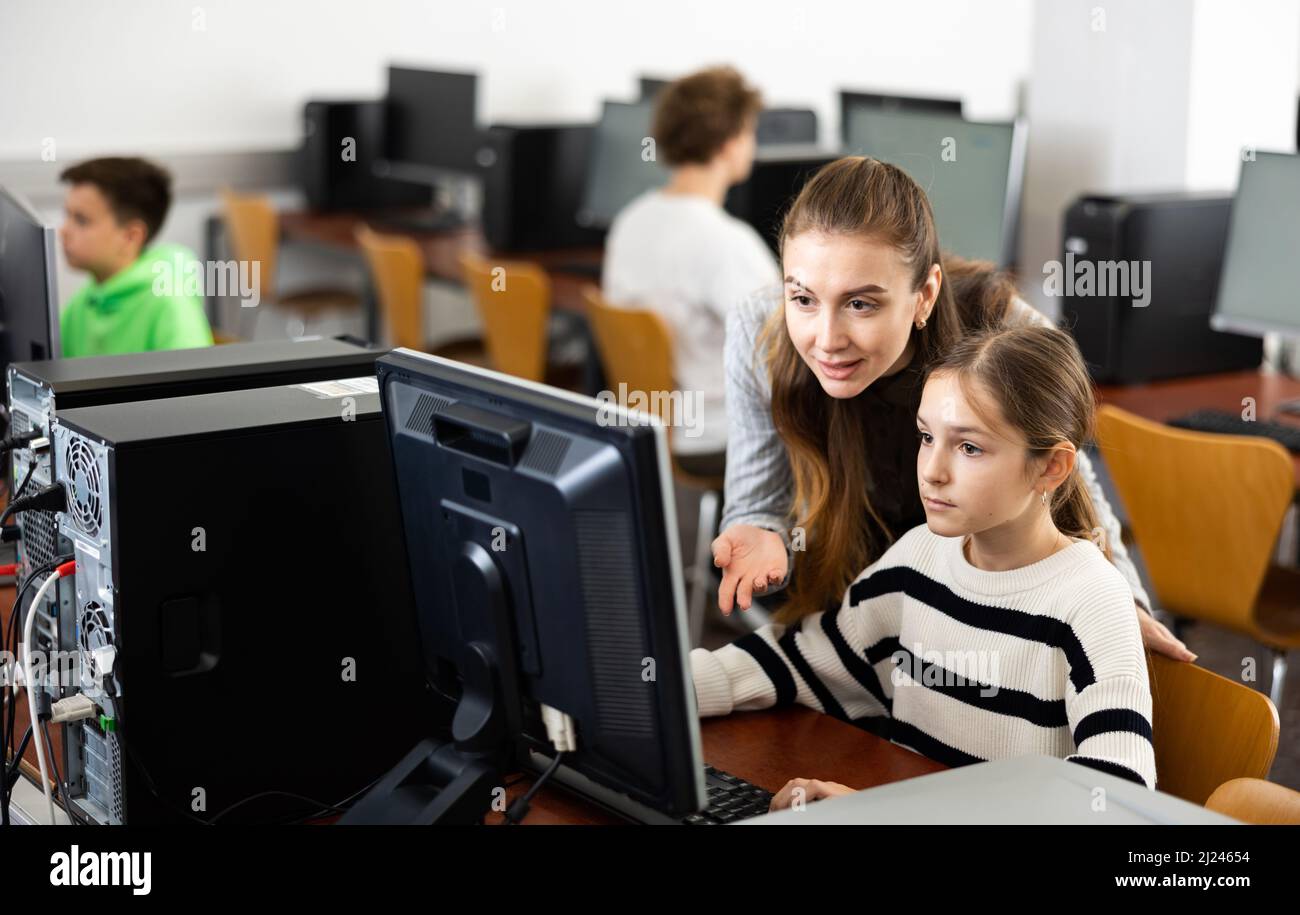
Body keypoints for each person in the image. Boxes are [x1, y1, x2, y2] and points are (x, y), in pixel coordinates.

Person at [710, 156, 1193, 662]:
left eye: (861, 304)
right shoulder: (758, 330)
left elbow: (1073, 485)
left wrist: (1123, 602)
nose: (826, 339)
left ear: (925, 296)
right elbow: (757, 501)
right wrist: (763, 534)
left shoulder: (1006, 331)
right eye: (804, 299)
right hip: (848, 596)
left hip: (980, 608)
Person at [692, 324, 1157, 808]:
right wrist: (649, 695)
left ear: (1051, 467)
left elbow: (1116, 800)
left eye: (969, 447)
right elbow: (803, 660)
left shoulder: (1093, 600)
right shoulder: (920, 559)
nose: (932, 470)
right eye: (926, 437)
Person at [602, 66, 779, 472]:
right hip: (714, 434)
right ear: (728, 145)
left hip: (649, 422)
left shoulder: (630, 220)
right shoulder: (726, 242)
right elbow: (783, 352)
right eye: (750, 133)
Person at [58, 156, 213, 357]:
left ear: (130, 236)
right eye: (67, 216)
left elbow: (195, 383)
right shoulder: (83, 302)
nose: (63, 231)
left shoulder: (170, 305)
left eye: (81, 220)